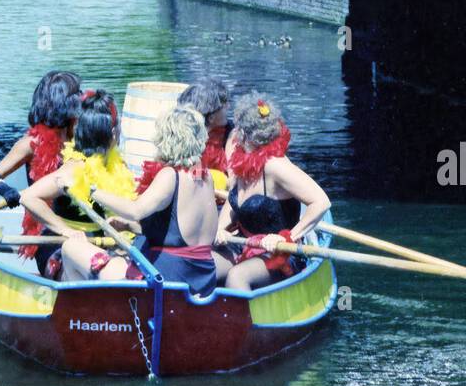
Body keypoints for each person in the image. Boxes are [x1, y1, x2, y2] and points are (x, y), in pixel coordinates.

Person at [64, 104, 218, 296]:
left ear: (167, 139)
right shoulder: (206, 176)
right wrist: (130, 227)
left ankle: (87, 317)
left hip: (166, 283)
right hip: (202, 279)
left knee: (70, 248)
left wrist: (90, 190)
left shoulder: (171, 175)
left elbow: (135, 210)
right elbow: (179, 234)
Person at [215, 93, 330, 291]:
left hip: (280, 254)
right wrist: (220, 229)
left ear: (242, 134)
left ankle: (242, 321)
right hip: (244, 244)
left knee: (237, 276)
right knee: (203, 263)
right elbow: (233, 202)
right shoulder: (243, 161)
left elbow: (321, 202)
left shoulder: (275, 166)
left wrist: (287, 238)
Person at [19, 90, 137, 279]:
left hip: (103, 243)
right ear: (114, 133)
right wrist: (66, 230)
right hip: (63, 248)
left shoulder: (117, 164)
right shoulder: (75, 168)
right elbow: (28, 197)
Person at [0, 70, 83, 264]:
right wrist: (5, 190)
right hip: (48, 233)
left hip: (83, 228)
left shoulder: (82, 139)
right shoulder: (31, 144)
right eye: (76, 95)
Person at [178, 77, 232, 178]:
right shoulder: (181, 138)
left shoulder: (231, 134)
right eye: (224, 104)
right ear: (211, 117)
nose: (228, 106)